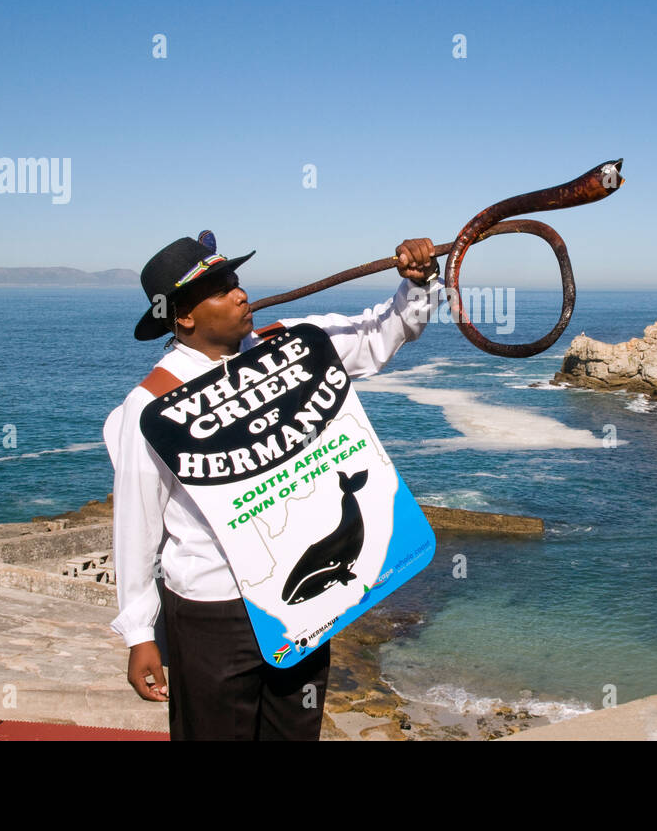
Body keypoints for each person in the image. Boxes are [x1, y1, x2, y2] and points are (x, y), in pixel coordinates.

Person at [103, 231, 442, 740]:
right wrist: (138, 632)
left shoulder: (292, 344)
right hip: (211, 611)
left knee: (294, 732)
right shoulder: (150, 408)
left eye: (234, 280)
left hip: (301, 606)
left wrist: (417, 284)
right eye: (219, 288)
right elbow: (136, 524)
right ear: (185, 317)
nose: (240, 294)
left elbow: (381, 335)